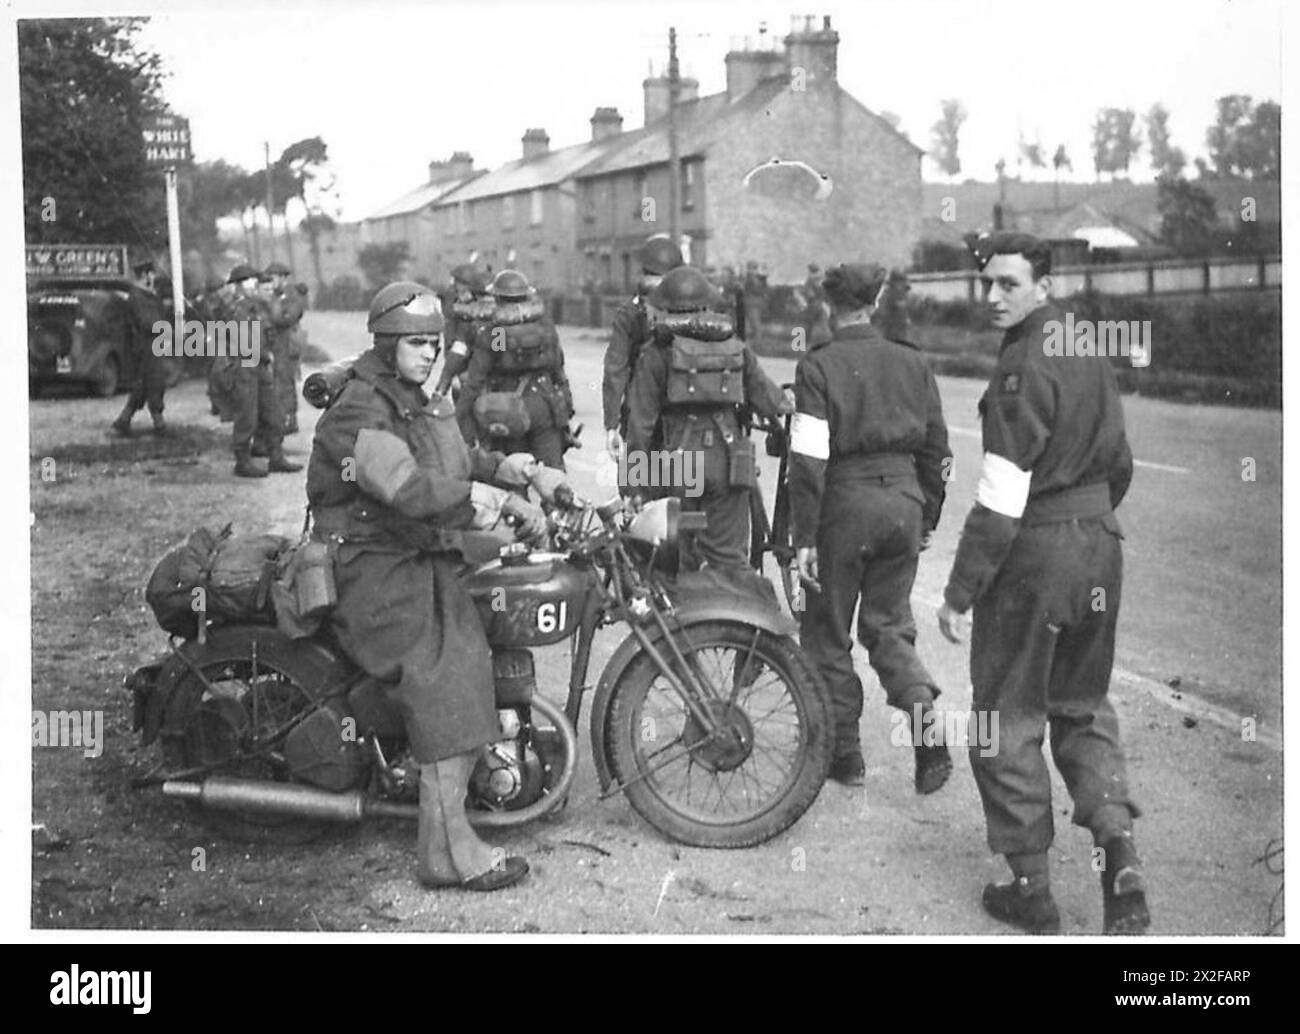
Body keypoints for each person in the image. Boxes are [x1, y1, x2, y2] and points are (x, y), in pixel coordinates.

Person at [306, 280, 552, 891]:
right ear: (388, 345)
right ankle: (449, 853)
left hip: (408, 553)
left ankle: (450, 830)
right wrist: (482, 499)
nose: (430, 353)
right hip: (369, 568)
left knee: (485, 626)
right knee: (448, 680)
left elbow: (445, 457)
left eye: (434, 343)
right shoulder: (362, 409)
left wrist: (508, 468)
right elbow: (409, 490)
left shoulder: (407, 392)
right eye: (416, 343)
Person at [936, 231, 1146, 935]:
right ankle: (1120, 856)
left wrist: (960, 590)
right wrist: (1090, 526)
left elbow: (1000, 498)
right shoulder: (1084, 345)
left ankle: (1032, 891)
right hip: (1100, 547)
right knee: (1083, 706)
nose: (993, 296)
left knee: (1008, 716)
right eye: (987, 283)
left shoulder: (1023, 364)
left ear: (1044, 286)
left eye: (1008, 283)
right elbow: (1121, 462)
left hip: (1036, 557)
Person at [789, 263, 953, 792]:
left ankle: (847, 757)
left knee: (827, 631)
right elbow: (938, 449)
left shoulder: (818, 366)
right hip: (903, 502)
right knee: (888, 627)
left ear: (826, 306)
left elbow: (809, 461)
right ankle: (926, 730)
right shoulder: (912, 362)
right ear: (877, 300)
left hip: (844, 505)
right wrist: (926, 514)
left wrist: (804, 537)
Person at [626, 265, 791, 573]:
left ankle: (687, 618)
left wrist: (634, 484)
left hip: (679, 461)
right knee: (729, 557)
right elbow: (772, 400)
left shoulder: (656, 352)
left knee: (678, 557)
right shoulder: (735, 347)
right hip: (730, 459)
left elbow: (640, 425)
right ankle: (740, 616)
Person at [456, 269, 574, 470]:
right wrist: (567, 407)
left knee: (510, 474)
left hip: (507, 408)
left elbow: (477, 377)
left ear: (497, 297)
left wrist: (460, 416)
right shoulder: (544, 326)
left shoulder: (498, 332)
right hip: (545, 406)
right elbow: (558, 369)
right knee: (553, 475)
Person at [601, 235, 683, 460]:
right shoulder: (695, 310)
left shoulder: (629, 313)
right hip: (686, 418)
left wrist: (612, 425)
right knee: (684, 488)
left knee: (637, 489)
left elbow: (615, 369)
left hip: (639, 416)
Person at [227, 264, 300, 478]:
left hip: (261, 364)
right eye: (250, 281)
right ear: (239, 285)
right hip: (245, 364)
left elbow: (270, 330)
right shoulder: (236, 309)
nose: (255, 284)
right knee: (247, 414)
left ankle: (276, 456)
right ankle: (242, 461)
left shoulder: (257, 307)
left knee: (274, 411)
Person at [110, 259, 168, 436]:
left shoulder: (147, 295)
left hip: (151, 344)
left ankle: (123, 420)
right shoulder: (138, 297)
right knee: (154, 381)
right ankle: (159, 423)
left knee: (143, 383)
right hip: (145, 345)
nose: (154, 277)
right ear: (145, 275)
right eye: (151, 274)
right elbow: (146, 322)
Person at [433, 264, 493, 397]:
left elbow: (457, 352)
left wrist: (444, 384)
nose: (454, 286)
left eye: (459, 284)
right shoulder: (493, 316)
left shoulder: (469, 321)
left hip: (474, 379)